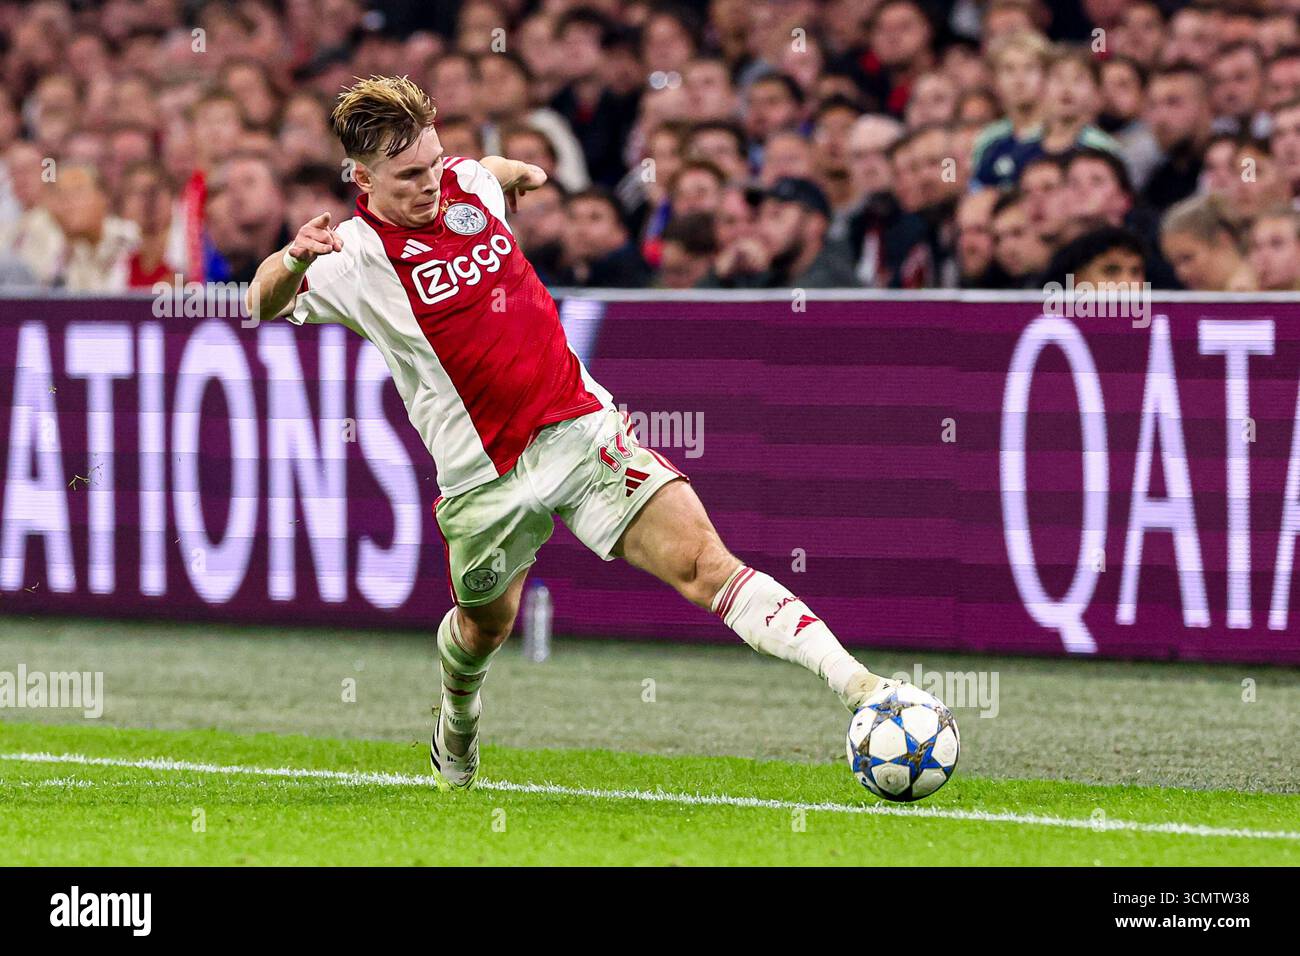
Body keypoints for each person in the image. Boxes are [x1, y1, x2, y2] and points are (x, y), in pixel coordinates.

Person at [245, 76, 898, 790]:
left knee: (705, 564)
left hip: (581, 431)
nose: (431, 182)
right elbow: (260, 301)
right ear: (363, 178)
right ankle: (456, 727)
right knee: (482, 630)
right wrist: (293, 259)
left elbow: (480, 173)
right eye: (409, 176)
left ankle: (865, 691)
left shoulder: (464, 183)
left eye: (434, 161)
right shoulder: (355, 257)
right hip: (481, 483)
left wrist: (514, 173)